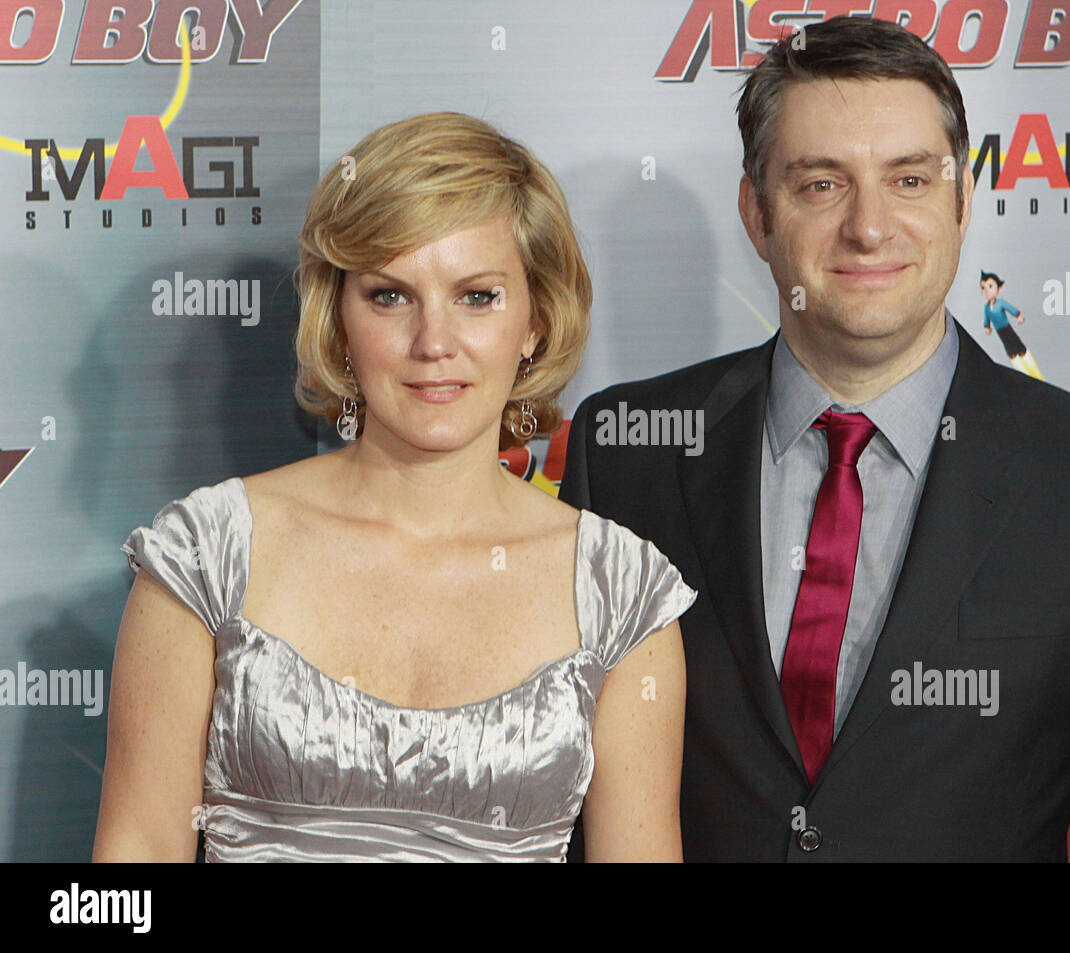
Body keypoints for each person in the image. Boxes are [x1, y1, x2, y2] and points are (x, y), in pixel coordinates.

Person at [559, 17, 1070, 861]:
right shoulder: (624, 454)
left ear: (960, 202)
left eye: (909, 180)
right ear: (756, 213)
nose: (869, 228)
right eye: (820, 185)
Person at [91, 113, 694, 862]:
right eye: (390, 296)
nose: (433, 342)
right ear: (339, 321)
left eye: (478, 296)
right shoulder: (205, 556)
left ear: (535, 319)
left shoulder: (621, 595)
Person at [980, 270, 1042, 379]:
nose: (986, 291)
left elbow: (1010, 309)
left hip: (1007, 328)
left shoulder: (1000, 303)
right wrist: (987, 327)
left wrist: (1018, 315)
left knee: (1019, 347)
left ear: (999, 289)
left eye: (990, 286)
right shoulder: (986, 308)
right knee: (1010, 351)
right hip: (1000, 331)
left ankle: (1034, 373)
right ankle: (1023, 373)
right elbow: (987, 319)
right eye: (983, 288)